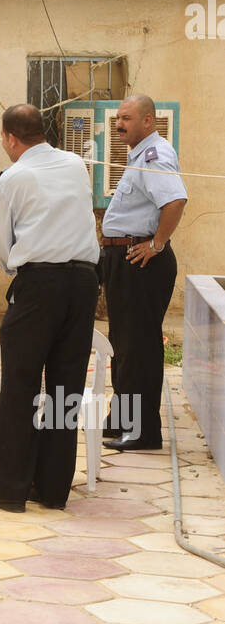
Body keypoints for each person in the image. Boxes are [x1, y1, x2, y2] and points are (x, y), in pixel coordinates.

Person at [0, 105, 100, 512]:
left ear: (11, 138)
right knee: (67, 389)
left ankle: (9, 490)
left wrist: (2, 249)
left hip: (39, 286)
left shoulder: (12, 177)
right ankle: (51, 489)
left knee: (21, 387)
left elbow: (7, 253)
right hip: (84, 284)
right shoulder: (76, 165)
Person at [100, 94, 188, 452]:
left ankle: (143, 430)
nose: (119, 124)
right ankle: (122, 419)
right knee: (123, 345)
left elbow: (175, 201)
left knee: (139, 347)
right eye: (118, 118)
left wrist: (156, 245)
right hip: (124, 260)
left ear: (149, 121)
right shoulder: (139, 154)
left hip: (142, 262)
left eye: (127, 118)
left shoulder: (156, 155)